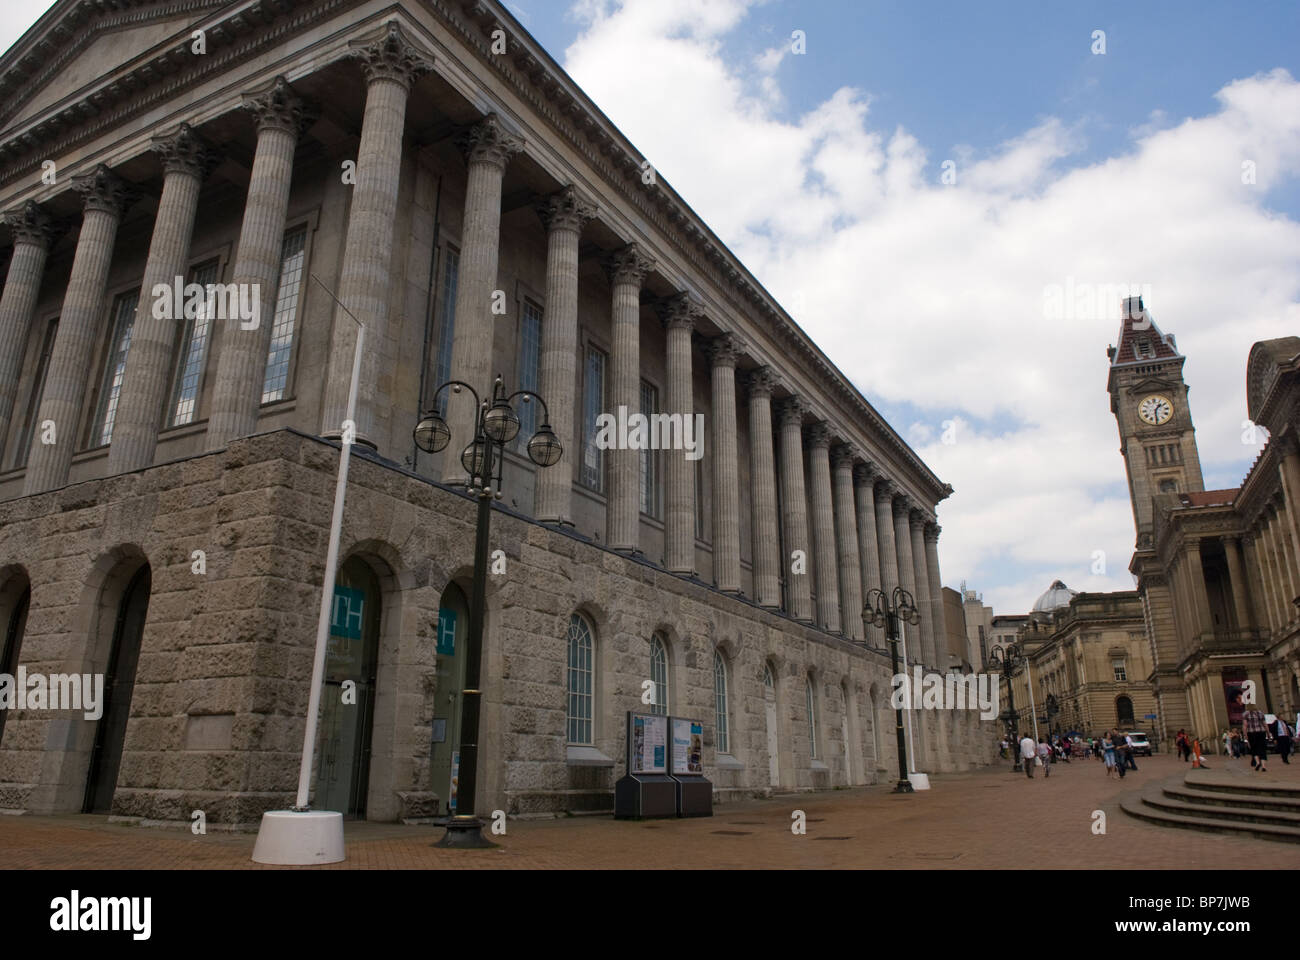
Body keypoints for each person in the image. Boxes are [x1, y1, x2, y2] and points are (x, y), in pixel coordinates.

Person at [1242, 704, 1269, 773]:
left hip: (1251, 733)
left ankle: (1257, 762)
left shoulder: (1245, 714)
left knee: (1254, 748)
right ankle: (1263, 766)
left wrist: (1245, 735)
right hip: (1261, 732)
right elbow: (1265, 724)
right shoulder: (1260, 713)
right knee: (1262, 748)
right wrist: (1268, 733)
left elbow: (1245, 726)